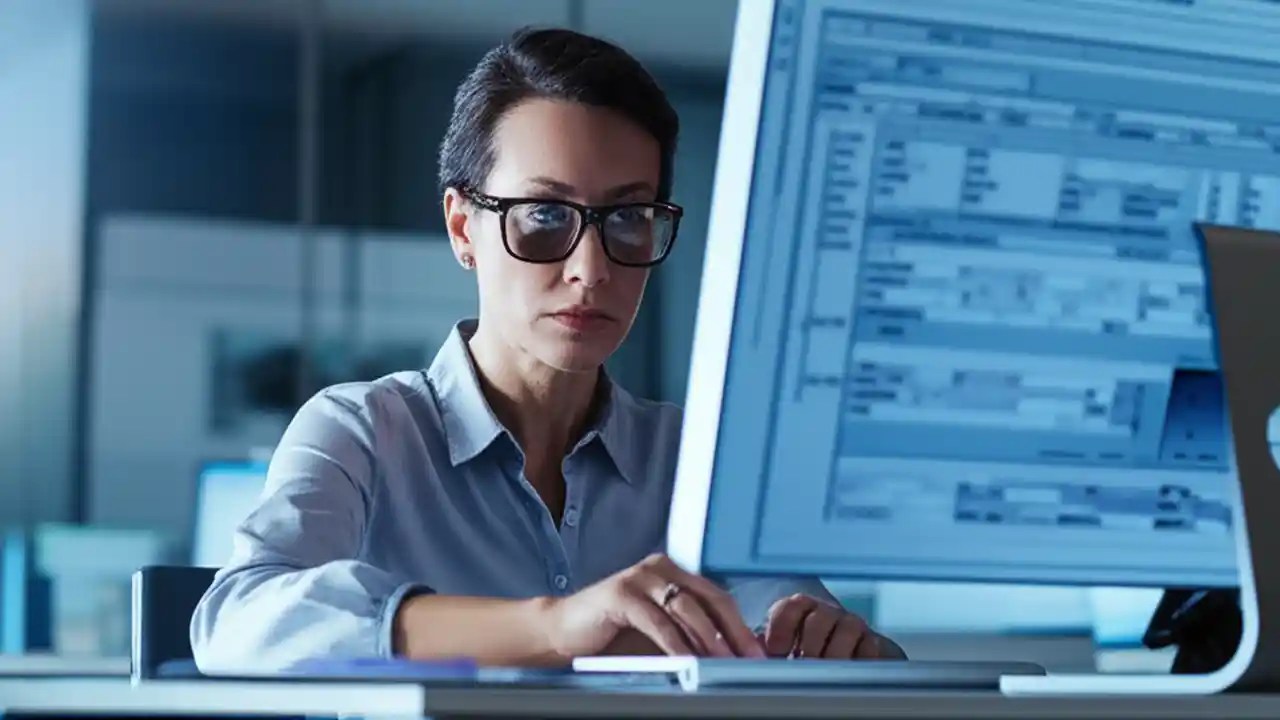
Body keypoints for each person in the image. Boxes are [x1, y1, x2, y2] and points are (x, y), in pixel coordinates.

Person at [191, 27, 903, 672]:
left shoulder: (698, 463)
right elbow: (238, 623)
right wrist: (554, 627)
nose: (590, 269)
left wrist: (843, 649)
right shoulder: (363, 432)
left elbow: (807, 635)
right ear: (463, 227)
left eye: (628, 219)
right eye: (543, 216)